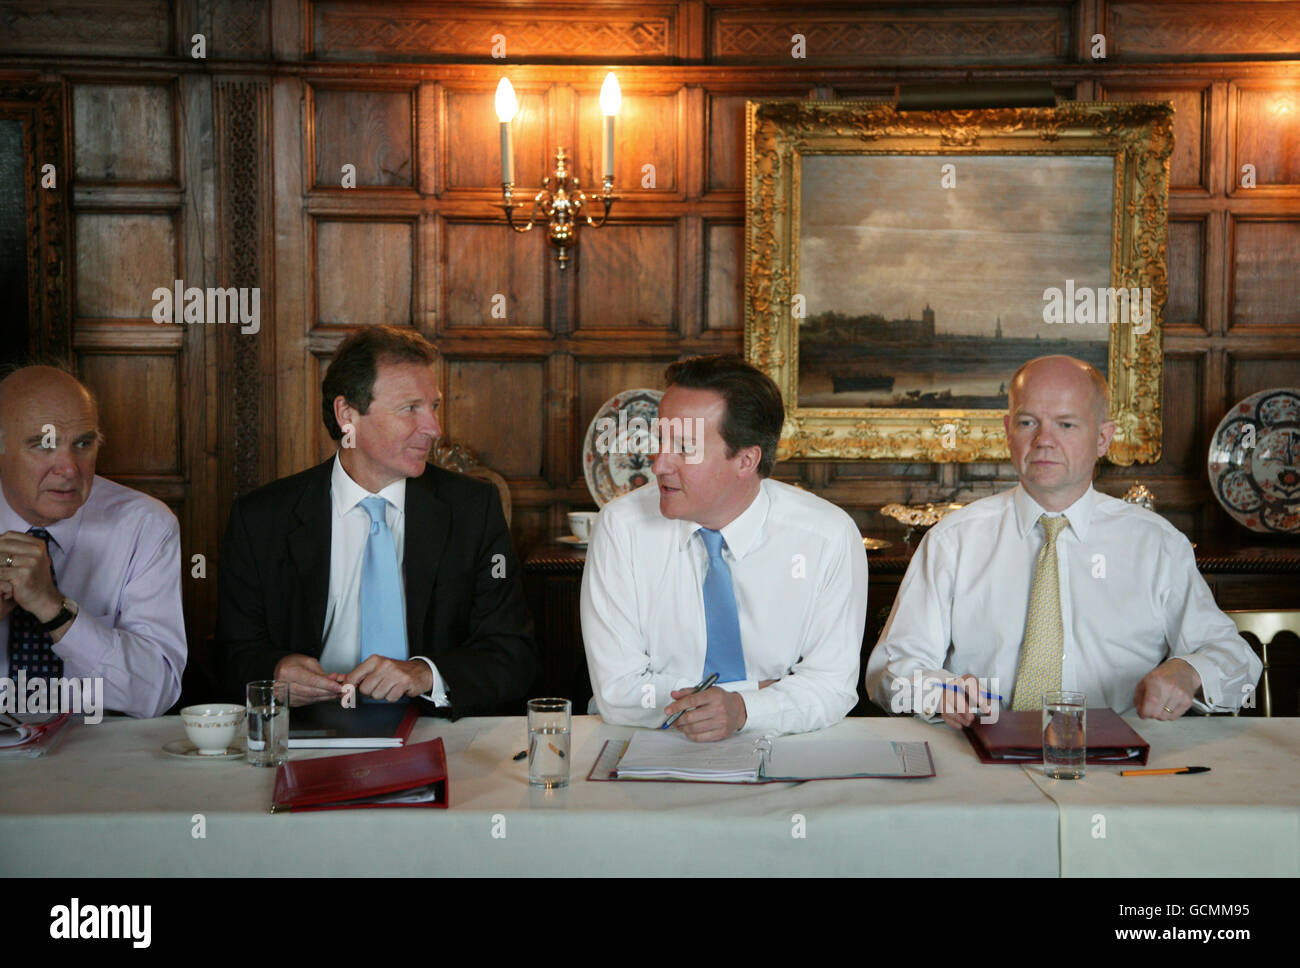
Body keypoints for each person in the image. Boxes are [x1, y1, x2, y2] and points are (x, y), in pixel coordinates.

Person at [865, 355, 1261, 726]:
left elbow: (1236, 661)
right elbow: (889, 672)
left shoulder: (1156, 545)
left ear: (1103, 438)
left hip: (1120, 770)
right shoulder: (952, 542)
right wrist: (938, 691)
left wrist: (1188, 671)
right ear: (1007, 431)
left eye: (1066, 424)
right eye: (1027, 423)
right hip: (979, 760)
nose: (1043, 440)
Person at [215, 326, 536, 713]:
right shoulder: (262, 519)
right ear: (347, 415)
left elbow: (513, 654)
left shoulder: (473, 509)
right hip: (304, 734)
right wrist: (275, 672)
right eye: (410, 409)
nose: (434, 428)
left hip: (433, 731)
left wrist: (425, 673)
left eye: (432, 407)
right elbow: (231, 654)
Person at [581, 355, 867, 741]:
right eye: (661, 440)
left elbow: (832, 687)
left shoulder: (827, 536)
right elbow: (617, 693)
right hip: (648, 745)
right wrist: (757, 695)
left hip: (782, 748)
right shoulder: (620, 527)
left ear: (746, 459)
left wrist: (743, 711)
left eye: (683, 448)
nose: (659, 463)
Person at [0, 365, 186, 717]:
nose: (69, 468)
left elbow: (155, 694)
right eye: (43, 445)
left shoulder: (145, 525)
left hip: (99, 756)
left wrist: (53, 609)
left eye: (83, 444)